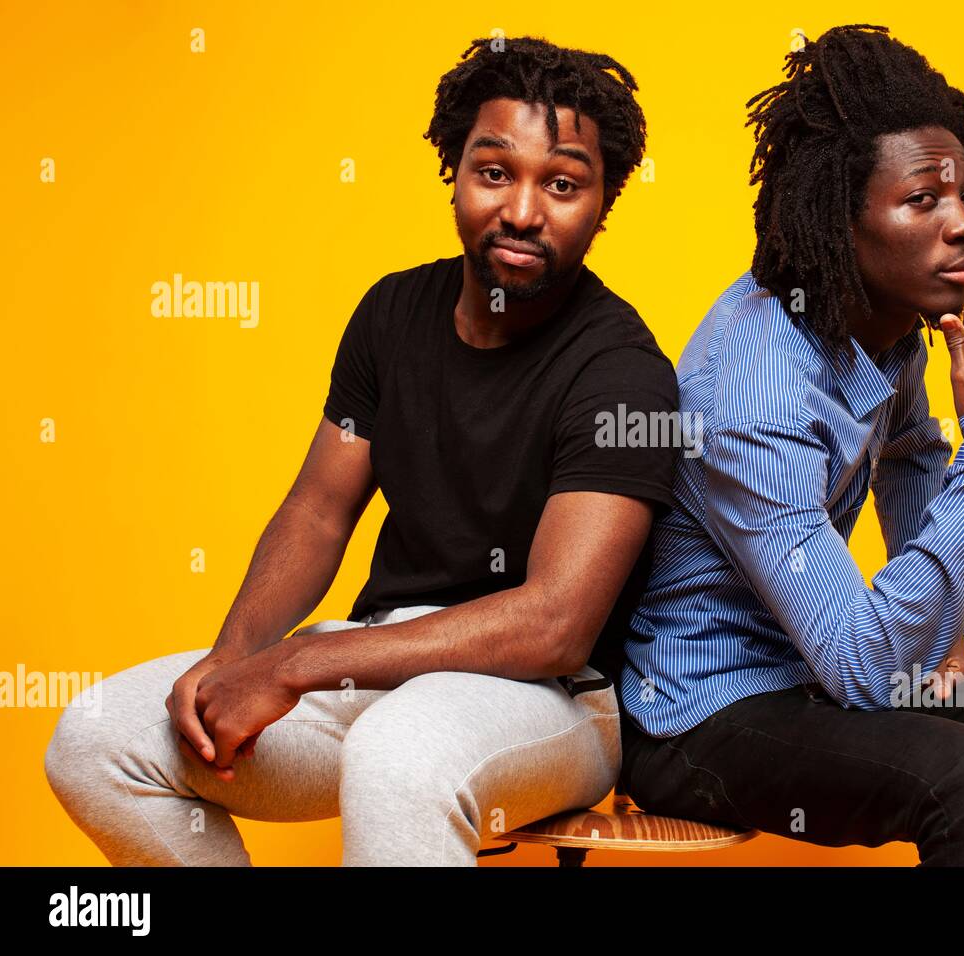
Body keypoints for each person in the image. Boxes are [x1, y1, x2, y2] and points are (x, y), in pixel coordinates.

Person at [43, 35, 680, 866]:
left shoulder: (622, 369)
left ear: (603, 202)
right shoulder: (392, 313)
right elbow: (318, 510)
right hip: (371, 664)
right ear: (453, 168)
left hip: (550, 704)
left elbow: (555, 624)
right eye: (495, 172)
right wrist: (236, 659)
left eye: (562, 184)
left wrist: (296, 667)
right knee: (98, 742)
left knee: (400, 754)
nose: (523, 211)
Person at [617, 23, 964, 866]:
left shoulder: (885, 330)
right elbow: (860, 666)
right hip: (704, 715)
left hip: (822, 677)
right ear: (839, 221)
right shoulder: (751, 391)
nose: (963, 225)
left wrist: (949, 644)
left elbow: (913, 461)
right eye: (923, 202)